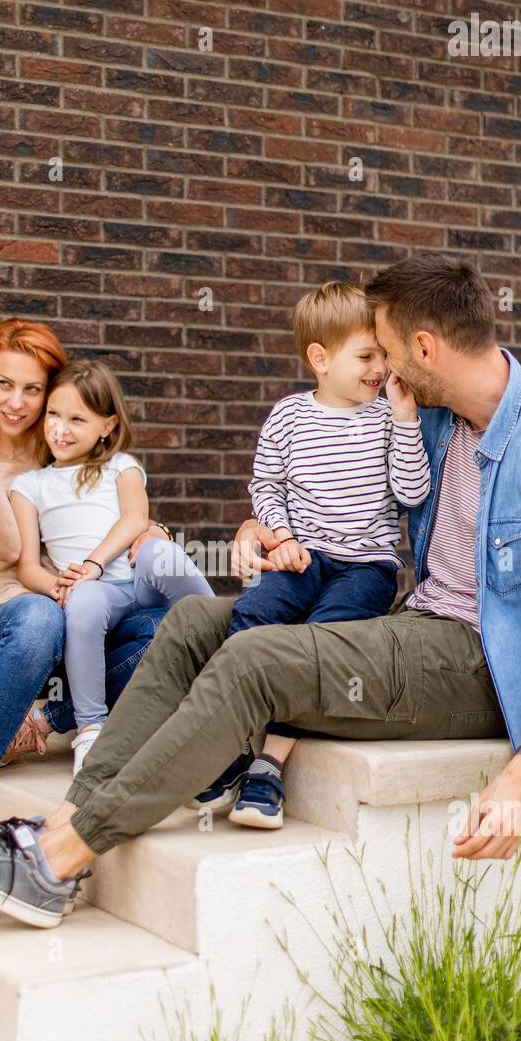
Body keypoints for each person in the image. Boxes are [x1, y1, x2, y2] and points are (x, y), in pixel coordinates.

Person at [0, 254, 521, 928]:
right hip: (415, 621)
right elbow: (325, 476)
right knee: (192, 622)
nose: (376, 372)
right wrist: (260, 524)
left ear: (425, 348)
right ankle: (65, 821)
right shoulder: (432, 414)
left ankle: (57, 862)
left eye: (382, 351)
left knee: (257, 659)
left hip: (486, 665)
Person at [195, 280, 430, 831]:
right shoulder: (288, 417)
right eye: (366, 356)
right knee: (251, 618)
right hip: (302, 556)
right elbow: (267, 485)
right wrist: (280, 535)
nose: (379, 368)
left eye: (382, 355)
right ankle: (227, 743)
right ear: (320, 359)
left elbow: (414, 493)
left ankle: (268, 767)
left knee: (324, 643)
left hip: (366, 565)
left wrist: (404, 420)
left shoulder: (388, 418)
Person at [0, 319, 173, 826]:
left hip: (94, 612)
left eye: (32, 389)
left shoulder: (63, 442)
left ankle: (41, 719)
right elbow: (7, 546)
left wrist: (156, 533)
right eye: (4, 385)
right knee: (43, 616)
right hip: (21, 617)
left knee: (164, 632)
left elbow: (125, 509)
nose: (16, 402)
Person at [9, 358, 213, 775]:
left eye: (76, 419)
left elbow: (136, 519)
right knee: (82, 599)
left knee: (160, 552)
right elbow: (27, 564)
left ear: (106, 426)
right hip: (98, 595)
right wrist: (58, 586)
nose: (59, 429)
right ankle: (89, 730)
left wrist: (93, 564)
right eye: (53, 414)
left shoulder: (121, 466)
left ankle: (227, 637)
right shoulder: (29, 486)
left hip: (136, 579)